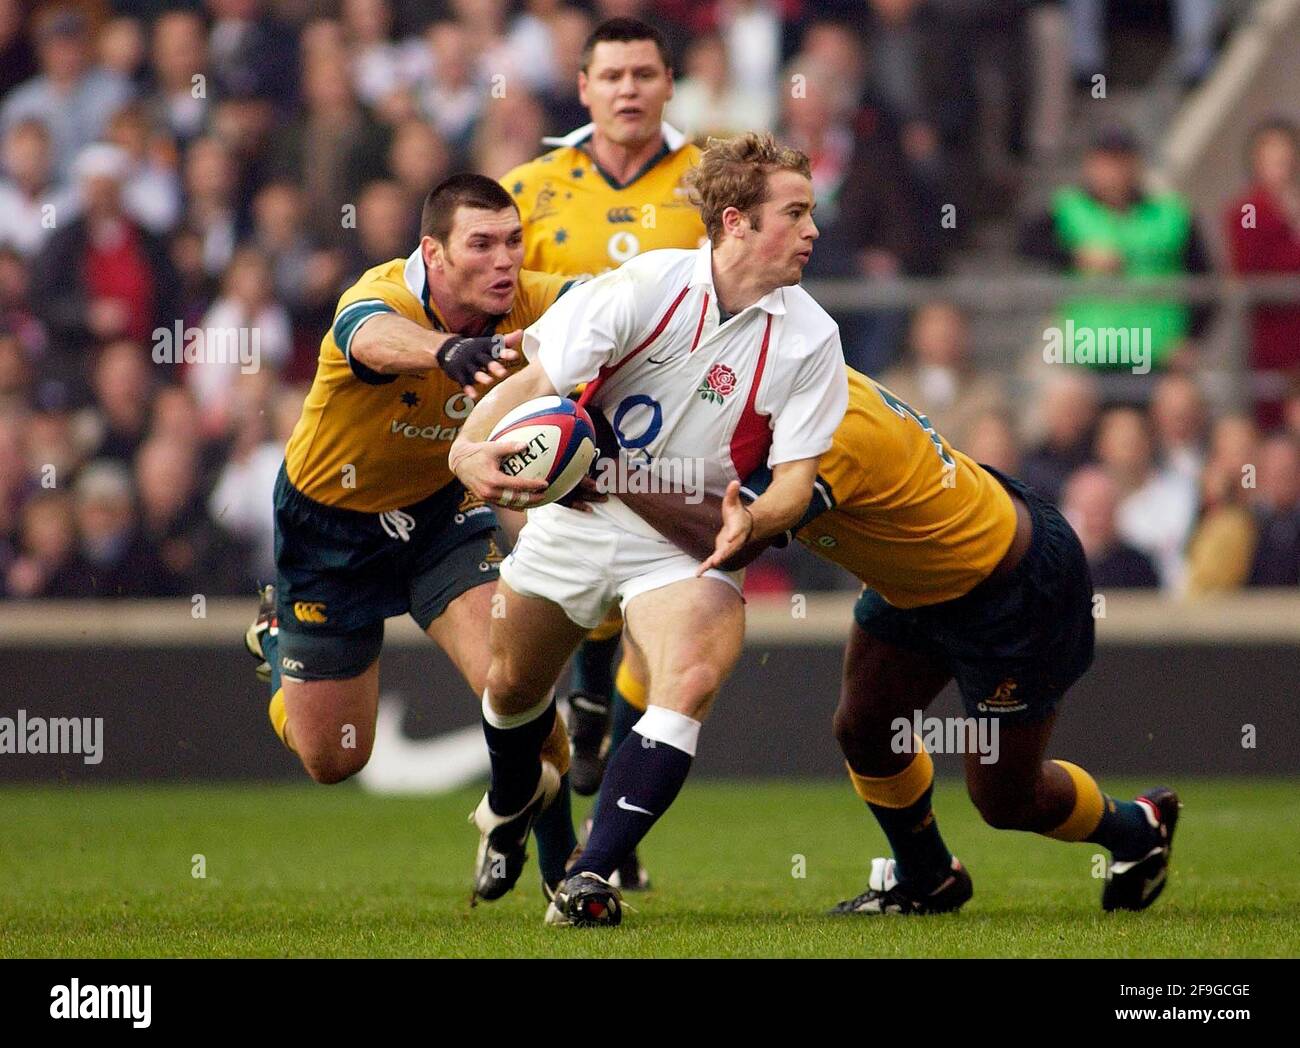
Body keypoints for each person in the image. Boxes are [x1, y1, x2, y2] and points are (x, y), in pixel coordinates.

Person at [450, 132, 847, 925]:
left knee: (690, 679)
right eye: (794, 213)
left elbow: (796, 486)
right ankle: (508, 803)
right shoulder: (645, 286)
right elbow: (537, 379)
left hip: (683, 545)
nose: (811, 230)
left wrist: (754, 518)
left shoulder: (813, 337)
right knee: (512, 689)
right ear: (734, 221)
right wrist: (468, 449)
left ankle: (587, 877)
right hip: (579, 515)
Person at [622, 366, 1180, 915]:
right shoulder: (774, 383)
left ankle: (1136, 828)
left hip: (1007, 588)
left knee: (1005, 798)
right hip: (914, 576)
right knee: (865, 728)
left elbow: (731, 542)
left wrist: (610, 475)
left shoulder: (830, 431)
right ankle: (927, 876)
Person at [242, 174, 581, 892]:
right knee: (334, 758)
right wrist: (443, 352)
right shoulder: (384, 297)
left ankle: (566, 874)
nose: (504, 261)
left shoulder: (525, 300)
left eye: (513, 242)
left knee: (514, 680)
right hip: (330, 529)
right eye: (482, 244)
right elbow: (366, 333)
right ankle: (277, 636)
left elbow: (610, 306)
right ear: (433, 251)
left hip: (442, 514)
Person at [497, 16, 709, 889]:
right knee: (539, 644)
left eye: (644, 74)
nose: (628, 89)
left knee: (664, 649)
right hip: (558, 442)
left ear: (669, 84)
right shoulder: (530, 188)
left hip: (673, 435)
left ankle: (604, 824)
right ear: (582, 87)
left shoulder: (708, 183)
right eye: (611, 74)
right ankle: (569, 769)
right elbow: (494, 301)